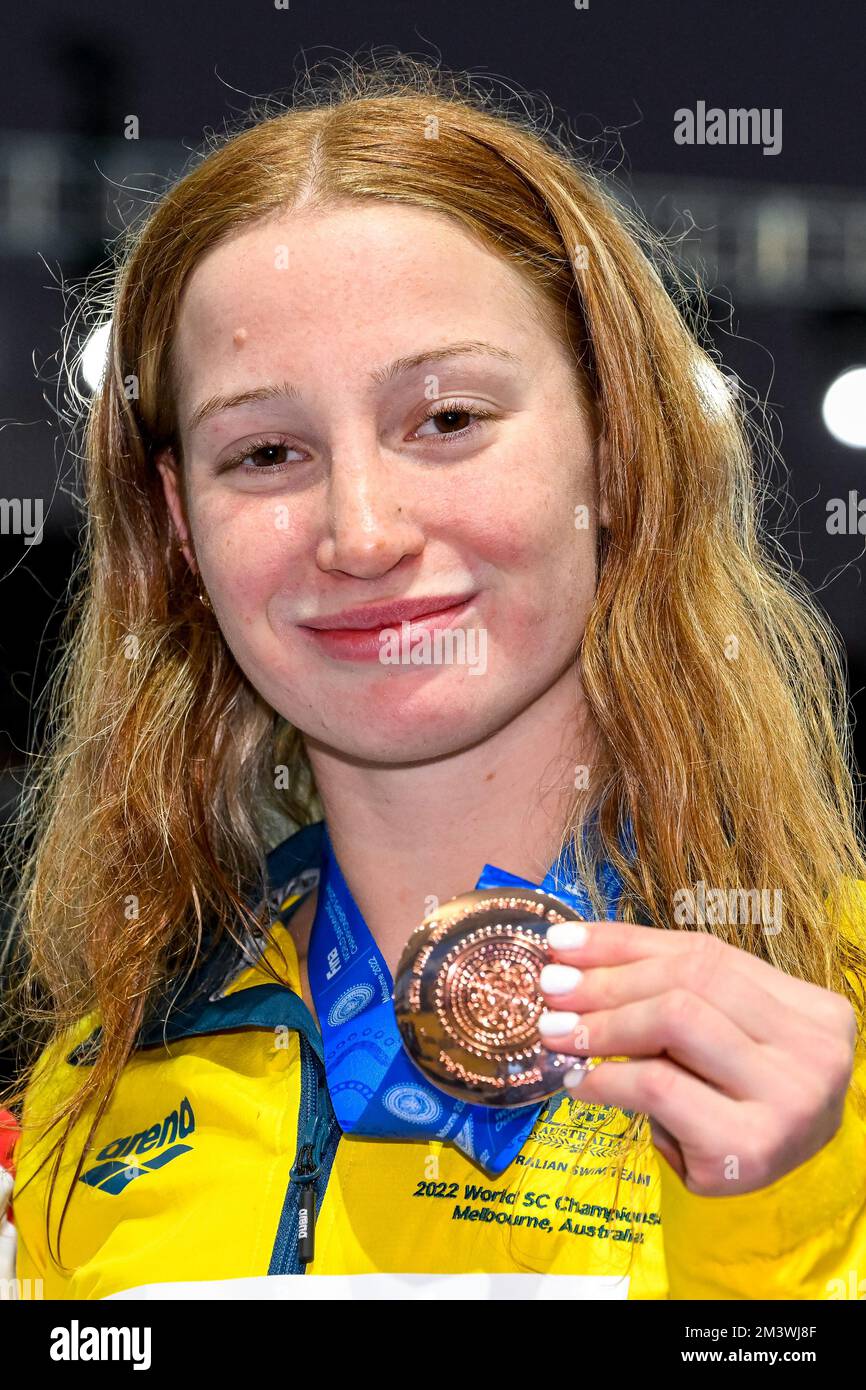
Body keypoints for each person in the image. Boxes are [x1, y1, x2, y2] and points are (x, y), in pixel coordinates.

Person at [2, 54, 865, 1301]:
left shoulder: (833, 1011)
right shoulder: (96, 1088)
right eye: (266, 450)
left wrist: (782, 1239)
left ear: (616, 453)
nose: (360, 531)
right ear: (182, 528)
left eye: (447, 420)